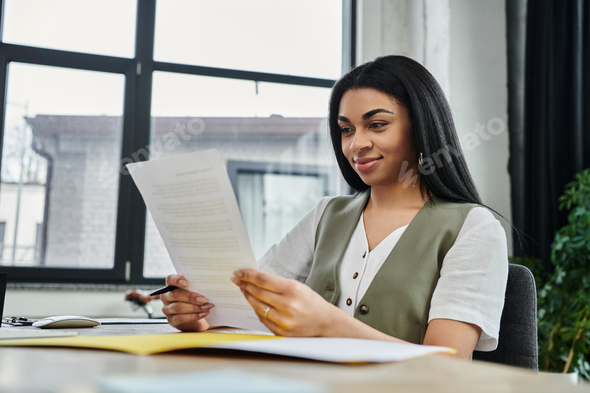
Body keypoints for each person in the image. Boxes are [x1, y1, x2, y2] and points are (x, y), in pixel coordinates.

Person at [159, 55, 509, 360]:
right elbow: (249, 308)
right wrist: (202, 316)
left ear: (420, 128)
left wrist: (328, 324)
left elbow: (447, 370)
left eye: (377, 125)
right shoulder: (327, 214)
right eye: (345, 129)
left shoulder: (473, 228)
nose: (356, 144)